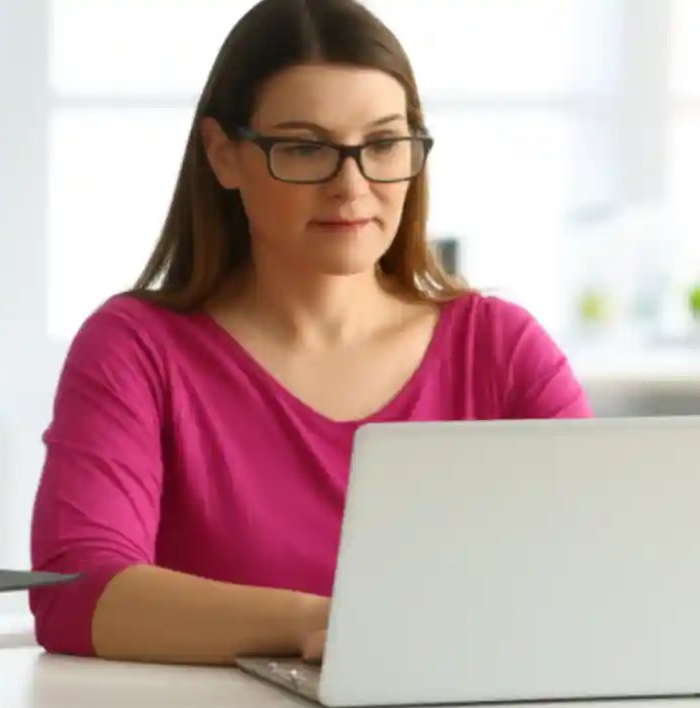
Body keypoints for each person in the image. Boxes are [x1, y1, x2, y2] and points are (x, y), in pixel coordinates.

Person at [29, 0, 592, 666]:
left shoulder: (501, 350)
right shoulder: (136, 349)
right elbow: (76, 594)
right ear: (223, 155)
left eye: (383, 144)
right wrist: (320, 623)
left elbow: (601, 569)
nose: (351, 187)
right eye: (304, 147)